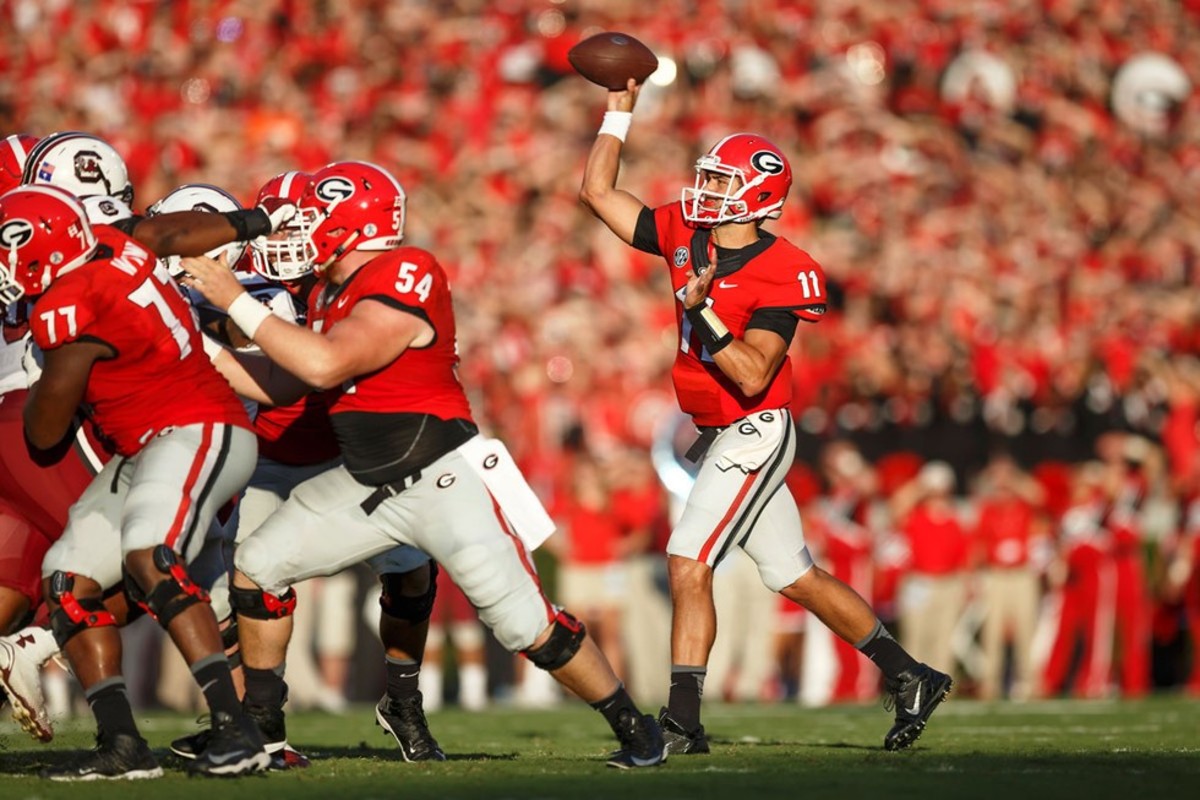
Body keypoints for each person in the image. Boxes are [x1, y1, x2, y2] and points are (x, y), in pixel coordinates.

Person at [180, 159, 665, 769]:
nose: (296, 234)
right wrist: (193, 341)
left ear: (355, 225)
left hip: (440, 480)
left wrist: (235, 304)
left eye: (311, 219)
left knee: (525, 626)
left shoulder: (406, 270)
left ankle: (633, 725)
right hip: (364, 482)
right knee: (256, 566)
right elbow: (281, 382)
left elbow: (328, 364)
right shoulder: (328, 292)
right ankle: (261, 732)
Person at [578, 81, 951, 753]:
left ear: (758, 196)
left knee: (688, 560)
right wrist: (619, 112)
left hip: (756, 426)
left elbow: (753, 371)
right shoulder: (687, 234)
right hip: (717, 431)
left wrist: (704, 311)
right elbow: (600, 194)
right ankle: (910, 675)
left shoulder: (785, 268)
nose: (705, 190)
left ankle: (682, 723)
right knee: (793, 576)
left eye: (721, 180)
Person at [0, 184, 270, 778]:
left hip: (197, 429)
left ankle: (237, 729)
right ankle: (122, 744)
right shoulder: (111, 243)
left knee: (151, 555)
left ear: (39, 250)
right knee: (67, 581)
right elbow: (168, 232)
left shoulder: (65, 304)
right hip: (145, 449)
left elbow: (44, 434)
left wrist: (39, 374)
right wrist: (252, 219)